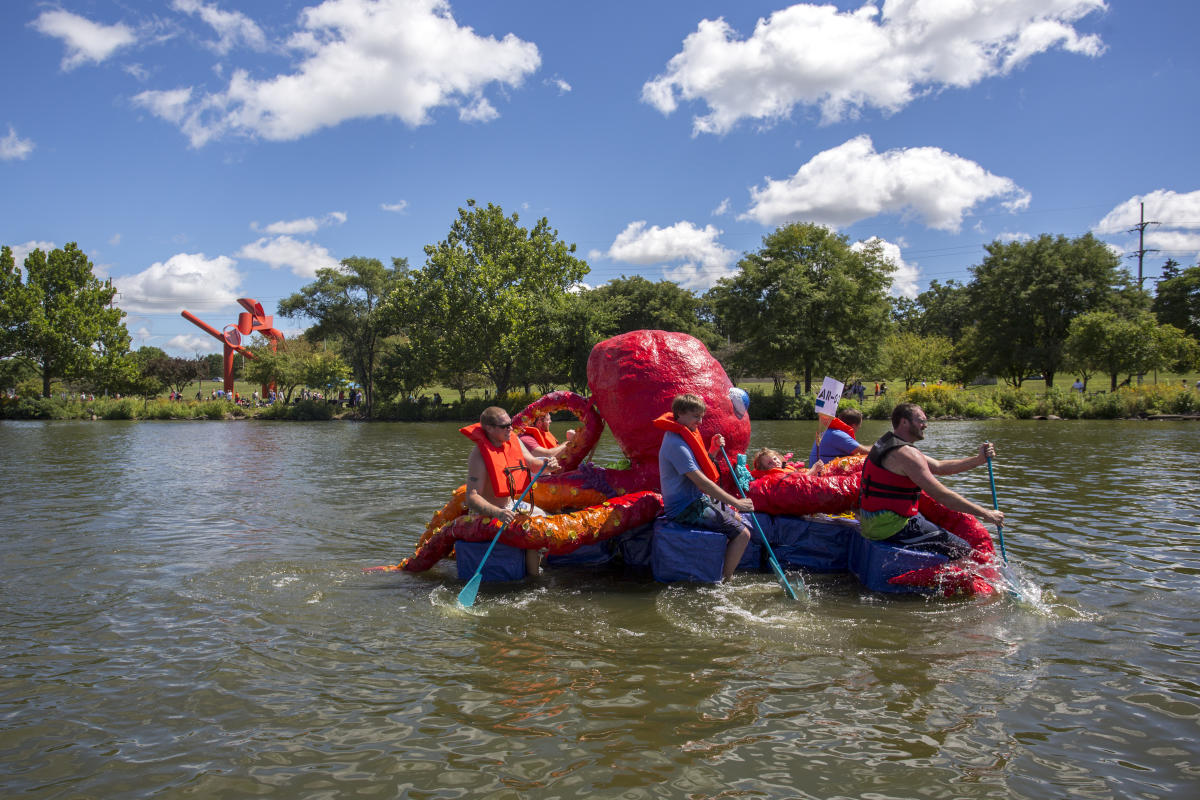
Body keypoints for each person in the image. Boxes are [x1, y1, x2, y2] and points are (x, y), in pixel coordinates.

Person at [858, 402, 1004, 559]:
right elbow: (941, 495)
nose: (925, 425)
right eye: (921, 420)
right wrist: (986, 513)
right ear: (904, 422)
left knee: (937, 530)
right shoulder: (906, 454)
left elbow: (940, 467)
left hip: (873, 522)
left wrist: (978, 460)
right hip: (890, 526)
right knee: (964, 551)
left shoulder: (887, 443)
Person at [656, 393, 752, 581]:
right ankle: (725, 582)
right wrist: (737, 502)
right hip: (684, 509)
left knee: (737, 517)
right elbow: (702, 482)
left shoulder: (684, 434)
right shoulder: (676, 444)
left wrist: (713, 451)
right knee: (743, 534)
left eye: (701, 416)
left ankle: (722, 565)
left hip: (695, 501)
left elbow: (700, 469)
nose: (700, 422)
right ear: (680, 414)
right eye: (695, 416)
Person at [463, 406, 560, 576]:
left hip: (510, 505)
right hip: (486, 514)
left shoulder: (513, 440)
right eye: (505, 426)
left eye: (510, 424)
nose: (510, 428)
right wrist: (498, 513)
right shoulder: (479, 455)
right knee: (534, 529)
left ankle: (534, 570)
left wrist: (548, 465)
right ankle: (533, 579)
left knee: (545, 520)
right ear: (490, 428)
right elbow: (472, 497)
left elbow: (532, 463)